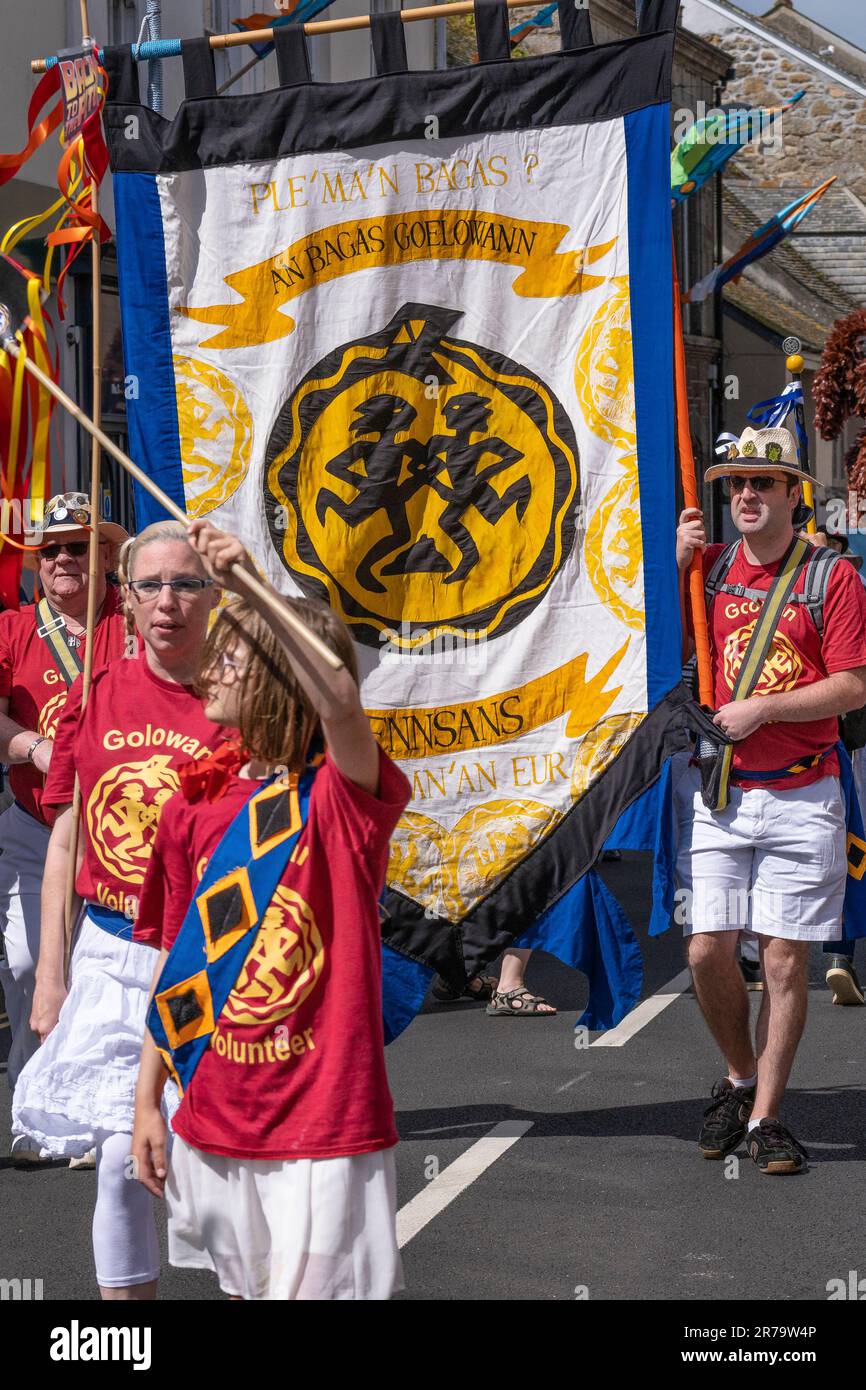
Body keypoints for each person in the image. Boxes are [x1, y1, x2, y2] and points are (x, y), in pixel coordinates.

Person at [132, 520, 411, 1301]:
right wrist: (146, 1097)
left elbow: (343, 700)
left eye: (232, 652)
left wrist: (251, 582)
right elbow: (177, 959)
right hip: (215, 1103)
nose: (210, 666)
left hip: (323, 1119)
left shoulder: (338, 800)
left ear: (278, 673)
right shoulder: (199, 800)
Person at [12, 520, 224, 1299]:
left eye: (187, 583)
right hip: (112, 957)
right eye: (151, 586)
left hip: (215, 961)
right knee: (117, 1162)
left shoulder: (246, 700)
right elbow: (65, 843)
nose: (167, 602)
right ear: (126, 600)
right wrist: (49, 978)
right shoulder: (94, 699)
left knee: (215, 1167)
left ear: (215, 594)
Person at [675, 425, 866, 1174]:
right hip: (722, 794)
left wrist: (764, 709)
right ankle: (740, 1074)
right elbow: (653, 637)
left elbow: (854, 684)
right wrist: (675, 562)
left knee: (785, 963)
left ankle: (766, 1118)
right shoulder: (710, 571)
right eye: (736, 485)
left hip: (804, 793)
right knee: (704, 949)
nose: (746, 495)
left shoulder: (832, 578)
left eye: (763, 483)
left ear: (795, 493)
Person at [0, 492, 127, 1162]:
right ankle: (33, 1108)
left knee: (94, 971)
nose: (64, 560)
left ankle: (89, 1118)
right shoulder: (15, 630)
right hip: (34, 824)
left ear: (104, 555)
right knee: (26, 965)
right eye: (51, 550)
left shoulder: (133, 621)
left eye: (79, 547)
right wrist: (31, 747)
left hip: (120, 839)